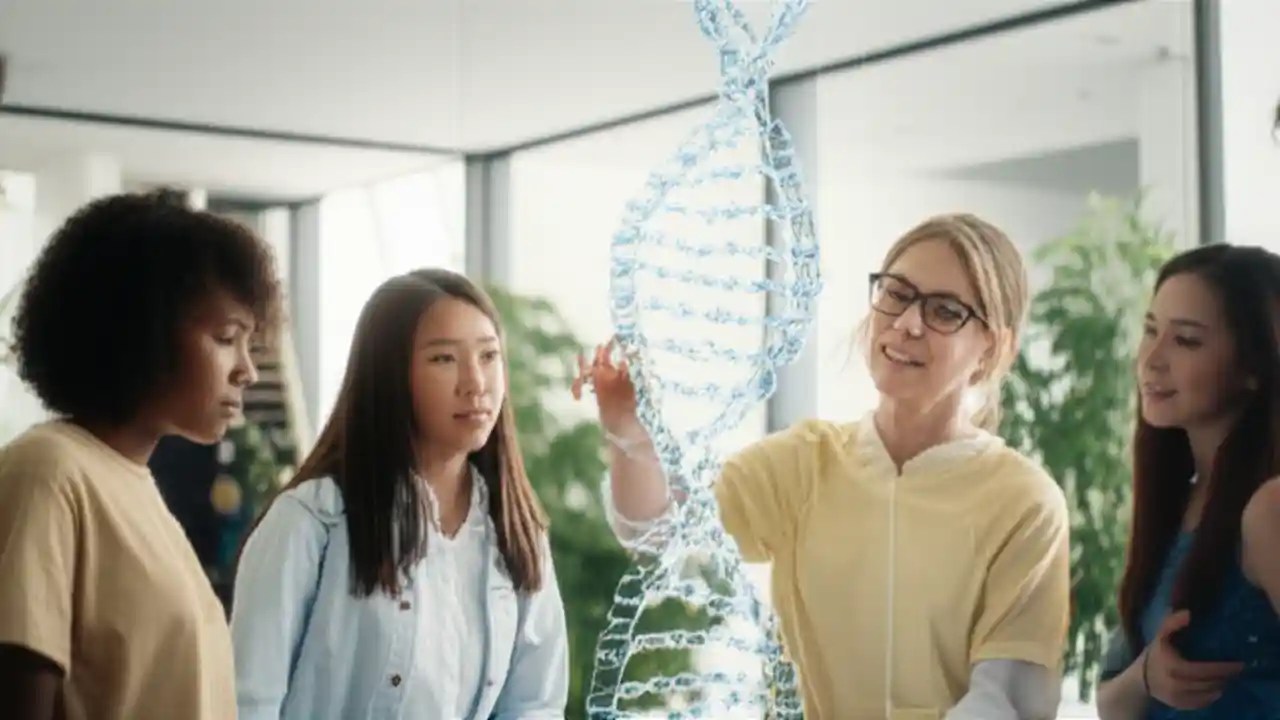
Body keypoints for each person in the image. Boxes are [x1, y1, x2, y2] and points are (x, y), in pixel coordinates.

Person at [574, 213, 1071, 719]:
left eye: (945, 311)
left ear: (994, 347)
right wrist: (631, 432)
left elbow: (1008, 701)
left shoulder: (1024, 503)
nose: (908, 323)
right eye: (897, 293)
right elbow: (659, 531)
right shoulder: (805, 463)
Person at [230, 268, 568, 719]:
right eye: (444, 359)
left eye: (489, 356)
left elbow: (536, 706)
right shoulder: (311, 521)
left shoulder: (514, 529)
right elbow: (248, 702)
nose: (475, 382)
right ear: (390, 375)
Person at [0, 191, 281, 720]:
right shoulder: (50, 472)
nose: (248, 370)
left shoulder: (135, 486)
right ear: (140, 330)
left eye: (250, 343)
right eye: (226, 337)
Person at [1096, 244, 1280, 719]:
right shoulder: (1176, 501)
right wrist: (1146, 675)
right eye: (1151, 331)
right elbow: (1110, 705)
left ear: (1254, 368)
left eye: (1187, 340)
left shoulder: (1269, 509)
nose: (1152, 359)